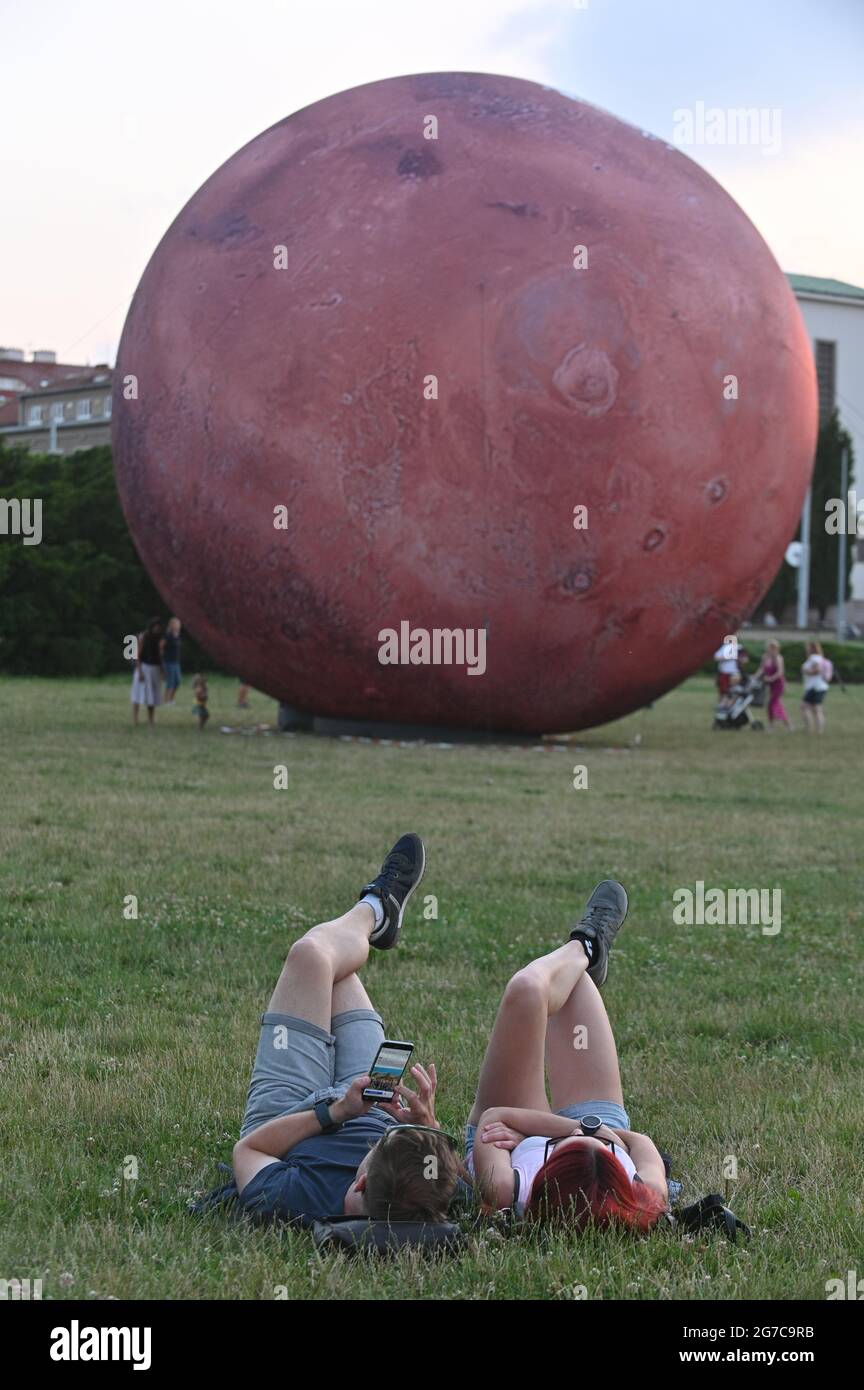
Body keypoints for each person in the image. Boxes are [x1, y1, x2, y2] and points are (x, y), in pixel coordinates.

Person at [231, 834, 461, 1225]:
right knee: (336, 969)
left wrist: (335, 1111)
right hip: (369, 1104)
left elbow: (248, 1151)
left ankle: (374, 908)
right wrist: (426, 1127)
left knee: (314, 957)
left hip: (290, 1120)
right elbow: (456, 1177)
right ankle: (375, 909)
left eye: (378, 1146)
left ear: (359, 1184)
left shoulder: (295, 1199)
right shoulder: (428, 1193)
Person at [465, 881, 668, 1231]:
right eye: (594, 1149)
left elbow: (495, 1118)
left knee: (527, 990)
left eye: (567, 1148)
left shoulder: (507, 1188)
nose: (580, 1140)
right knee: (575, 983)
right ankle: (585, 951)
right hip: (577, 1137)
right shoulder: (643, 1193)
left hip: (520, 1131)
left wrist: (582, 1133)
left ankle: (583, 946)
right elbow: (641, 1143)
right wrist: (590, 1132)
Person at [130, 617, 165, 727]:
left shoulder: (159, 639)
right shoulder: (143, 637)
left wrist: (162, 670)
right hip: (144, 667)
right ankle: (135, 719)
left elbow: (159, 657)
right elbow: (138, 655)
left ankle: (151, 719)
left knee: (152, 696)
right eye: (156, 627)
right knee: (137, 694)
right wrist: (139, 671)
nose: (157, 629)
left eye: (159, 628)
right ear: (151, 627)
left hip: (154, 668)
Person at [756, 639, 792, 731]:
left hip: (778, 684)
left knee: (773, 703)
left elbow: (780, 672)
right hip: (770, 684)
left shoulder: (778, 658)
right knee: (771, 704)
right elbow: (761, 669)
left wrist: (770, 678)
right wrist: (755, 677)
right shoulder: (765, 657)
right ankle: (773, 724)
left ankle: (786, 723)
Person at [801, 641, 830, 734]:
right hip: (819, 686)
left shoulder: (814, 658)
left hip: (815, 687)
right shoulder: (819, 657)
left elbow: (817, 670)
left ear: (812, 648)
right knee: (816, 708)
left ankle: (809, 729)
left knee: (806, 707)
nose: (806, 648)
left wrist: (806, 671)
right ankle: (818, 730)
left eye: (808, 647)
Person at [162, 617, 183, 703]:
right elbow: (160, 646)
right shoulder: (167, 635)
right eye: (176, 624)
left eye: (179, 624)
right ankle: (166, 701)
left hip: (176, 662)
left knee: (177, 681)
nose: (178, 625)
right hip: (168, 662)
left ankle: (171, 699)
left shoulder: (177, 635)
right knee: (170, 682)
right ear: (172, 625)